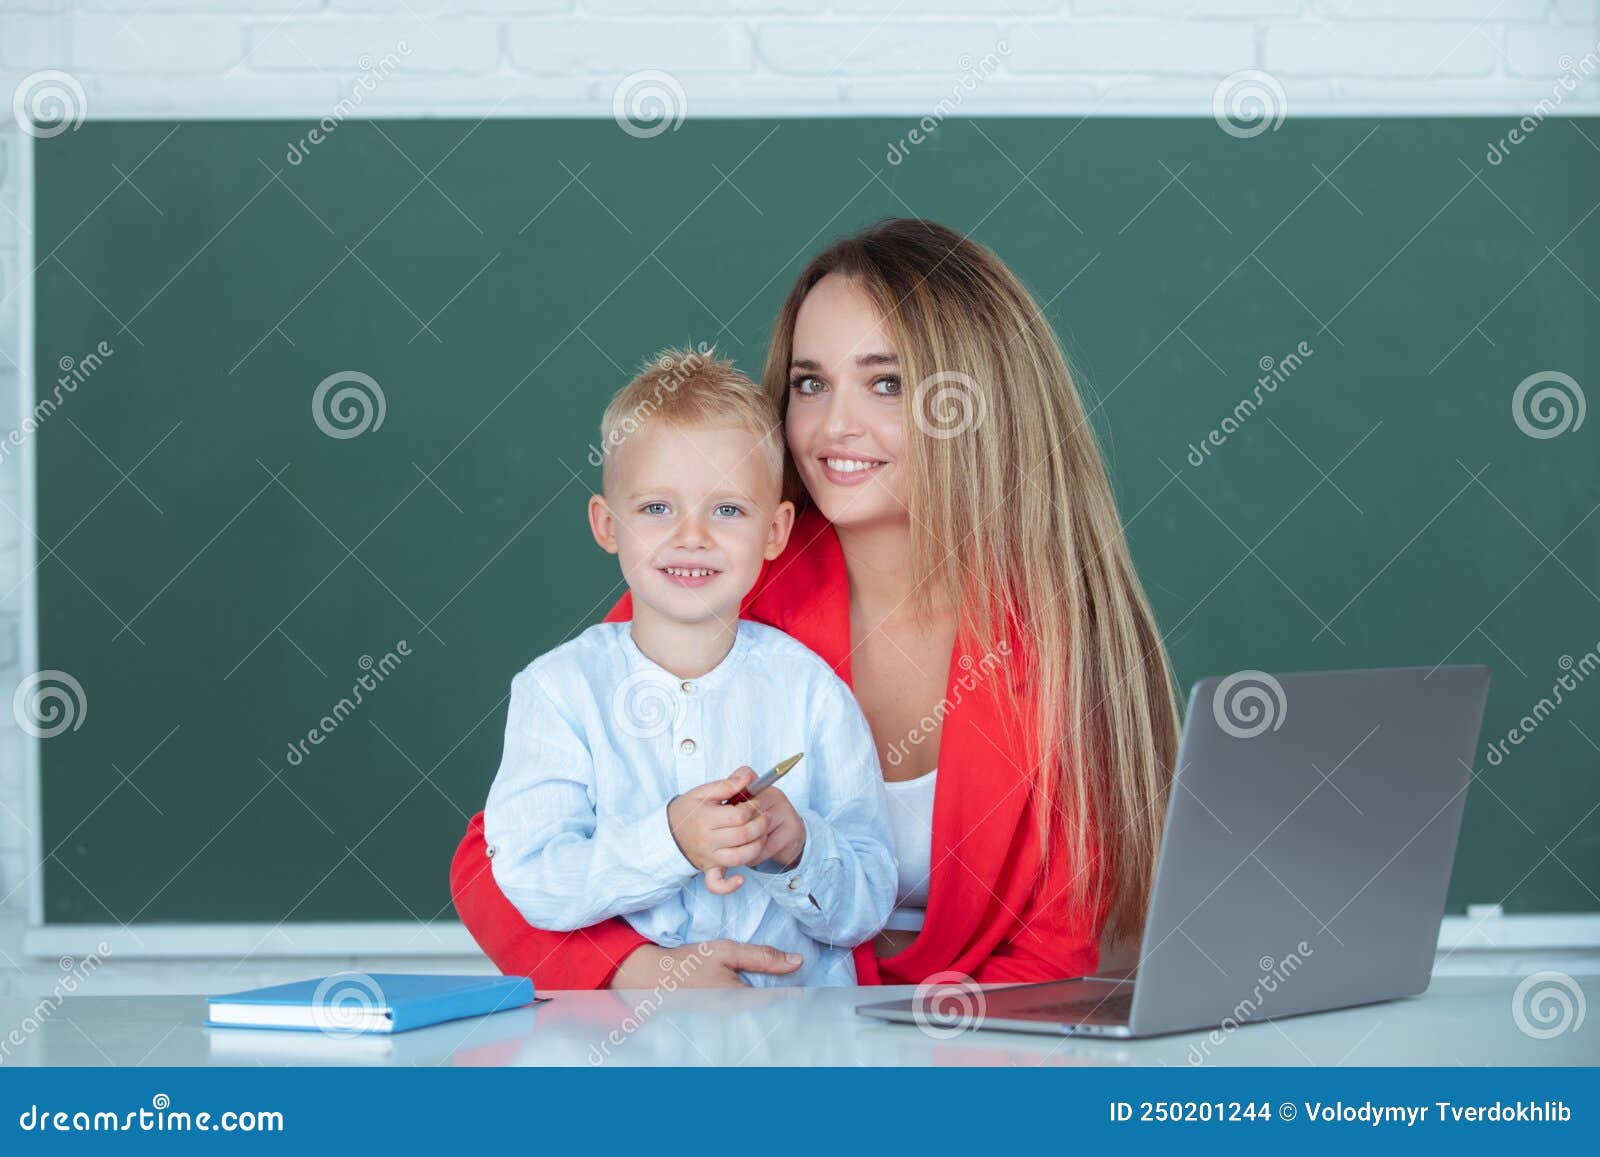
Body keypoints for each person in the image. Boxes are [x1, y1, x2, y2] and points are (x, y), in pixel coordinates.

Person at [452, 218, 1180, 990]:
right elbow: (497, 861)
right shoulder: (732, 580)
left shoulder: (1061, 635)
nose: (834, 426)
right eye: (809, 383)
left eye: (887, 382)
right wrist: (638, 973)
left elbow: (1058, 947)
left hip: (967, 1052)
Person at [480, 348, 896, 986]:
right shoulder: (559, 693)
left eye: (727, 510)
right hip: (623, 1051)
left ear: (776, 532)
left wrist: (798, 846)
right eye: (655, 508)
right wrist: (668, 841)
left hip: (800, 1047)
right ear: (607, 524)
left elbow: (865, 908)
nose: (691, 535)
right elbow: (533, 882)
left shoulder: (812, 691)